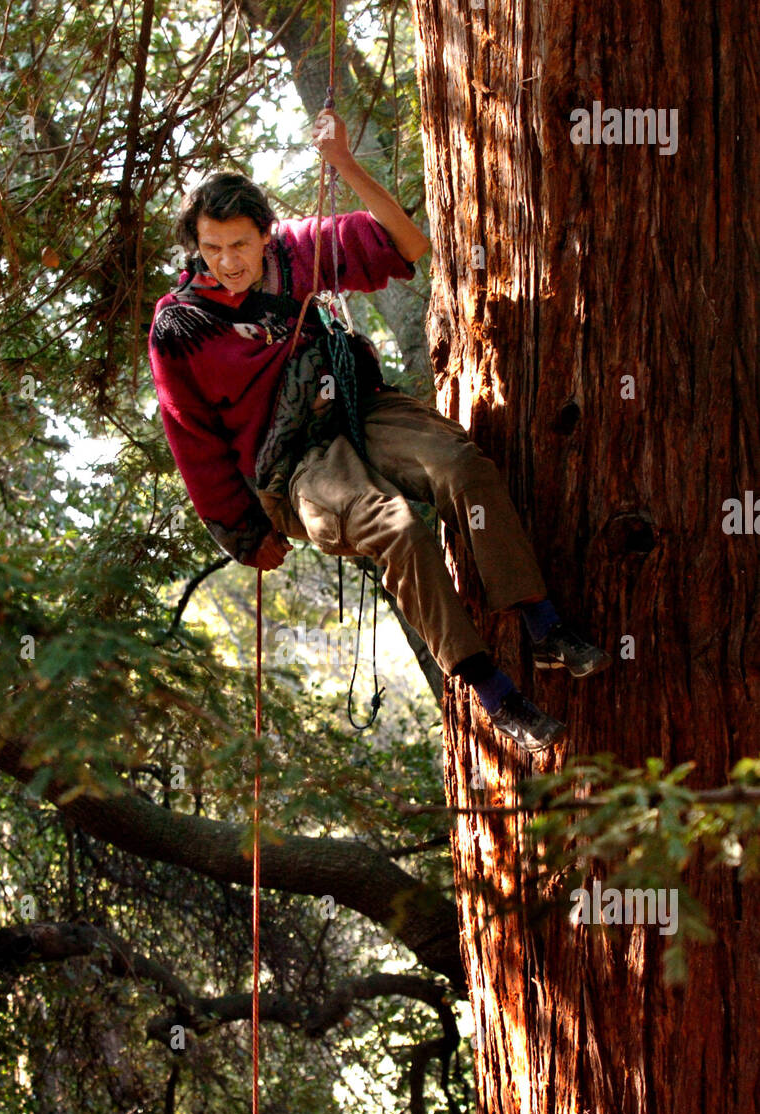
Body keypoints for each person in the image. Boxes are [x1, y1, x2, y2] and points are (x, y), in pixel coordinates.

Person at [148, 112, 609, 752]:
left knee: (461, 468)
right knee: (396, 529)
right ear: (195, 244)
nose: (228, 261)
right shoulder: (180, 328)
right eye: (212, 247)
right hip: (295, 466)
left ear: (265, 234)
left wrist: (344, 164)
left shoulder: (296, 254)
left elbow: (408, 244)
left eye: (241, 244)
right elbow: (191, 441)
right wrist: (242, 533)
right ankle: (495, 693)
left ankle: (543, 622)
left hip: (361, 406)